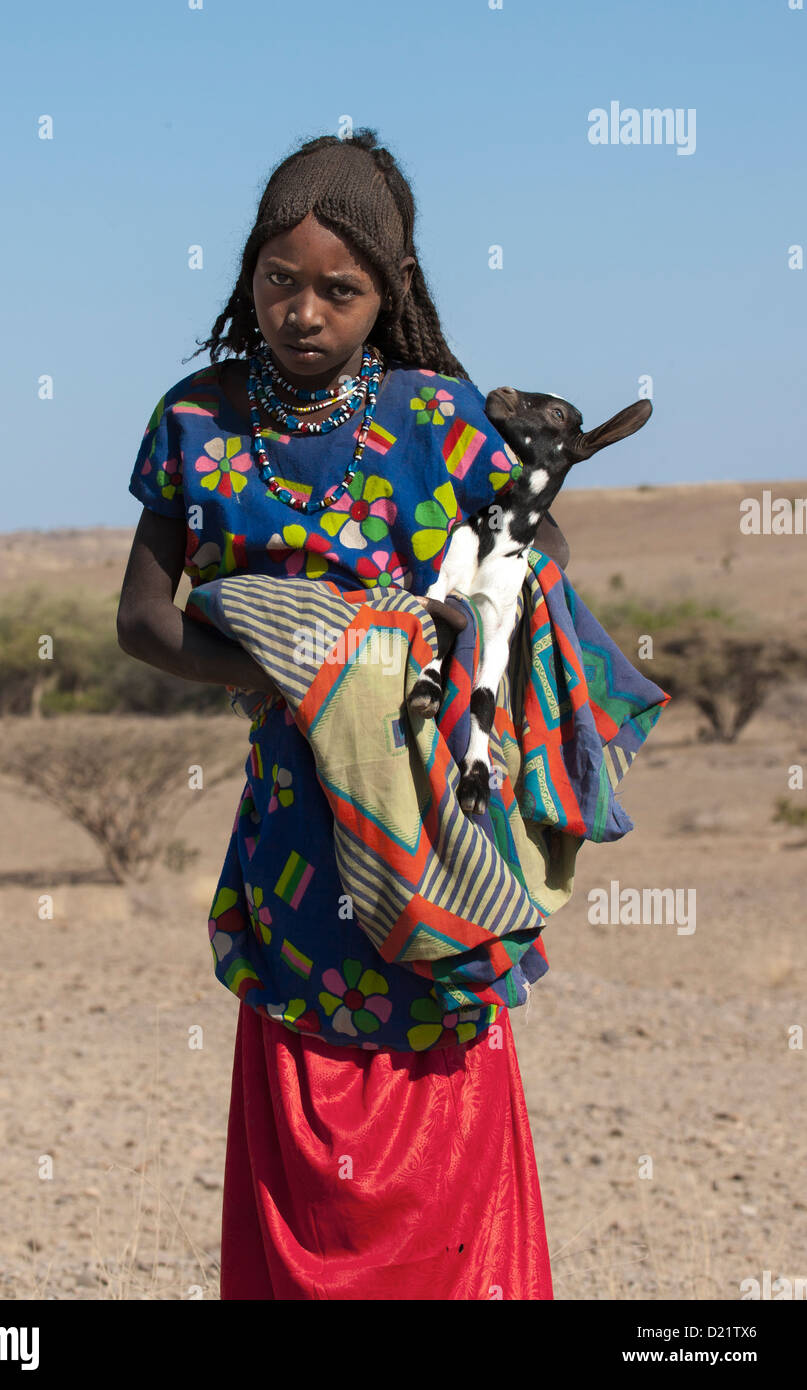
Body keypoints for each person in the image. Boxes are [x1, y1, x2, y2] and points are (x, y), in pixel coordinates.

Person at [117, 130, 575, 1301]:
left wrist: (425, 638)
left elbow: (538, 569)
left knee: (438, 1094)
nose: (303, 312)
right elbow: (138, 620)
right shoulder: (196, 423)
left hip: (427, 815)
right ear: (246, 274)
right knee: (310, 1125)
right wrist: (285, 667)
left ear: (392, 293)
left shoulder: (439, 419)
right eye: (280, 280)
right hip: (292, 829)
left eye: (340, 289)